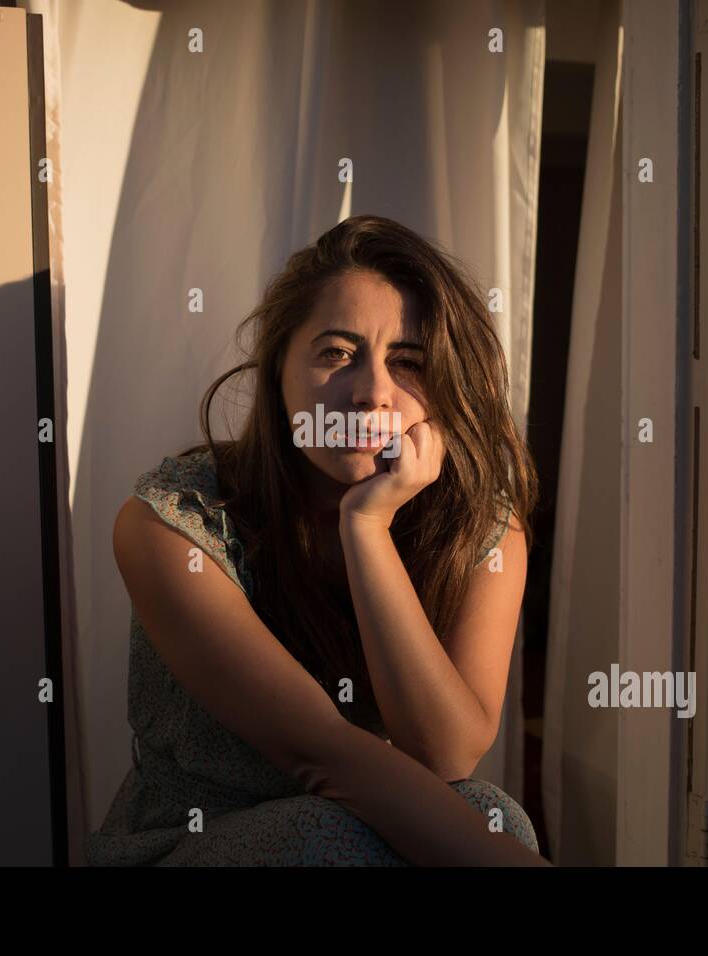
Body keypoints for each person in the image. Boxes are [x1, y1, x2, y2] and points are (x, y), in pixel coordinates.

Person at [88, 214, 548, 866]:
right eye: (336, 354)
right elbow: (322, 757)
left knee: (494, 815)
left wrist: (367, 530)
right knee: (329, 838)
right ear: (278, 373)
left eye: (408, 361)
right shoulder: (175, 523)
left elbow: (444, 754)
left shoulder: (483, 532)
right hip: (189, 842)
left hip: (360, 826)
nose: (371, 395)